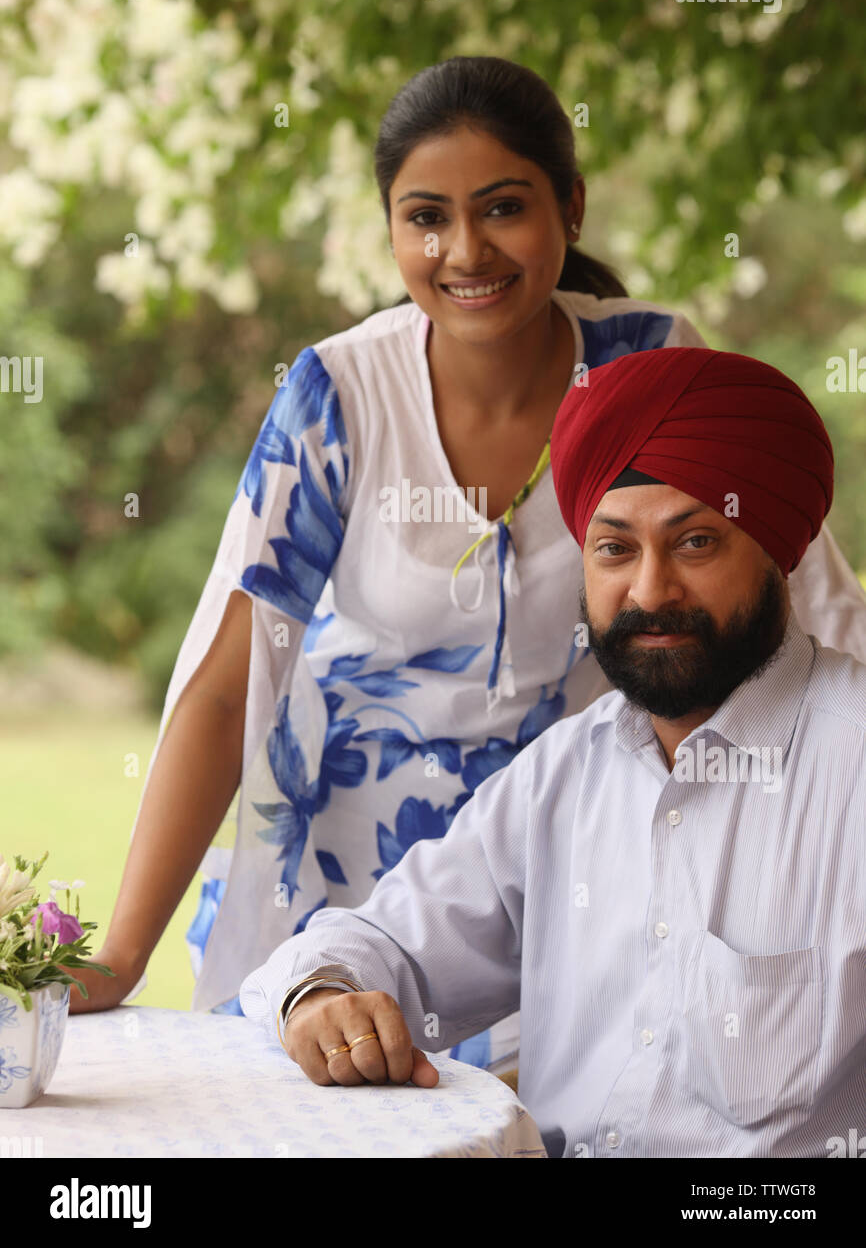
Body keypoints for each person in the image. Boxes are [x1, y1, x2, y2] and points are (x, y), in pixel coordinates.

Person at [71, 57, 866, 1081]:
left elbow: (800, 588)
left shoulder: (640, 365)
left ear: (568, 208)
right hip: (347, 887)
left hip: (577, 865)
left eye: (502, 208)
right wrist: (121, 954)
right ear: (391, 229)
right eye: (424, 217)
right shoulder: (339, 395)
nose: (463, 250)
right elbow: (229, 684)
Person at [239, 347, 866, 1158]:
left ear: (780, 552)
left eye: (697, 544)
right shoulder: (566, 773)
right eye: (614, 549)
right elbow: (389, 944)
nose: (648, 591)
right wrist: (324, 995)